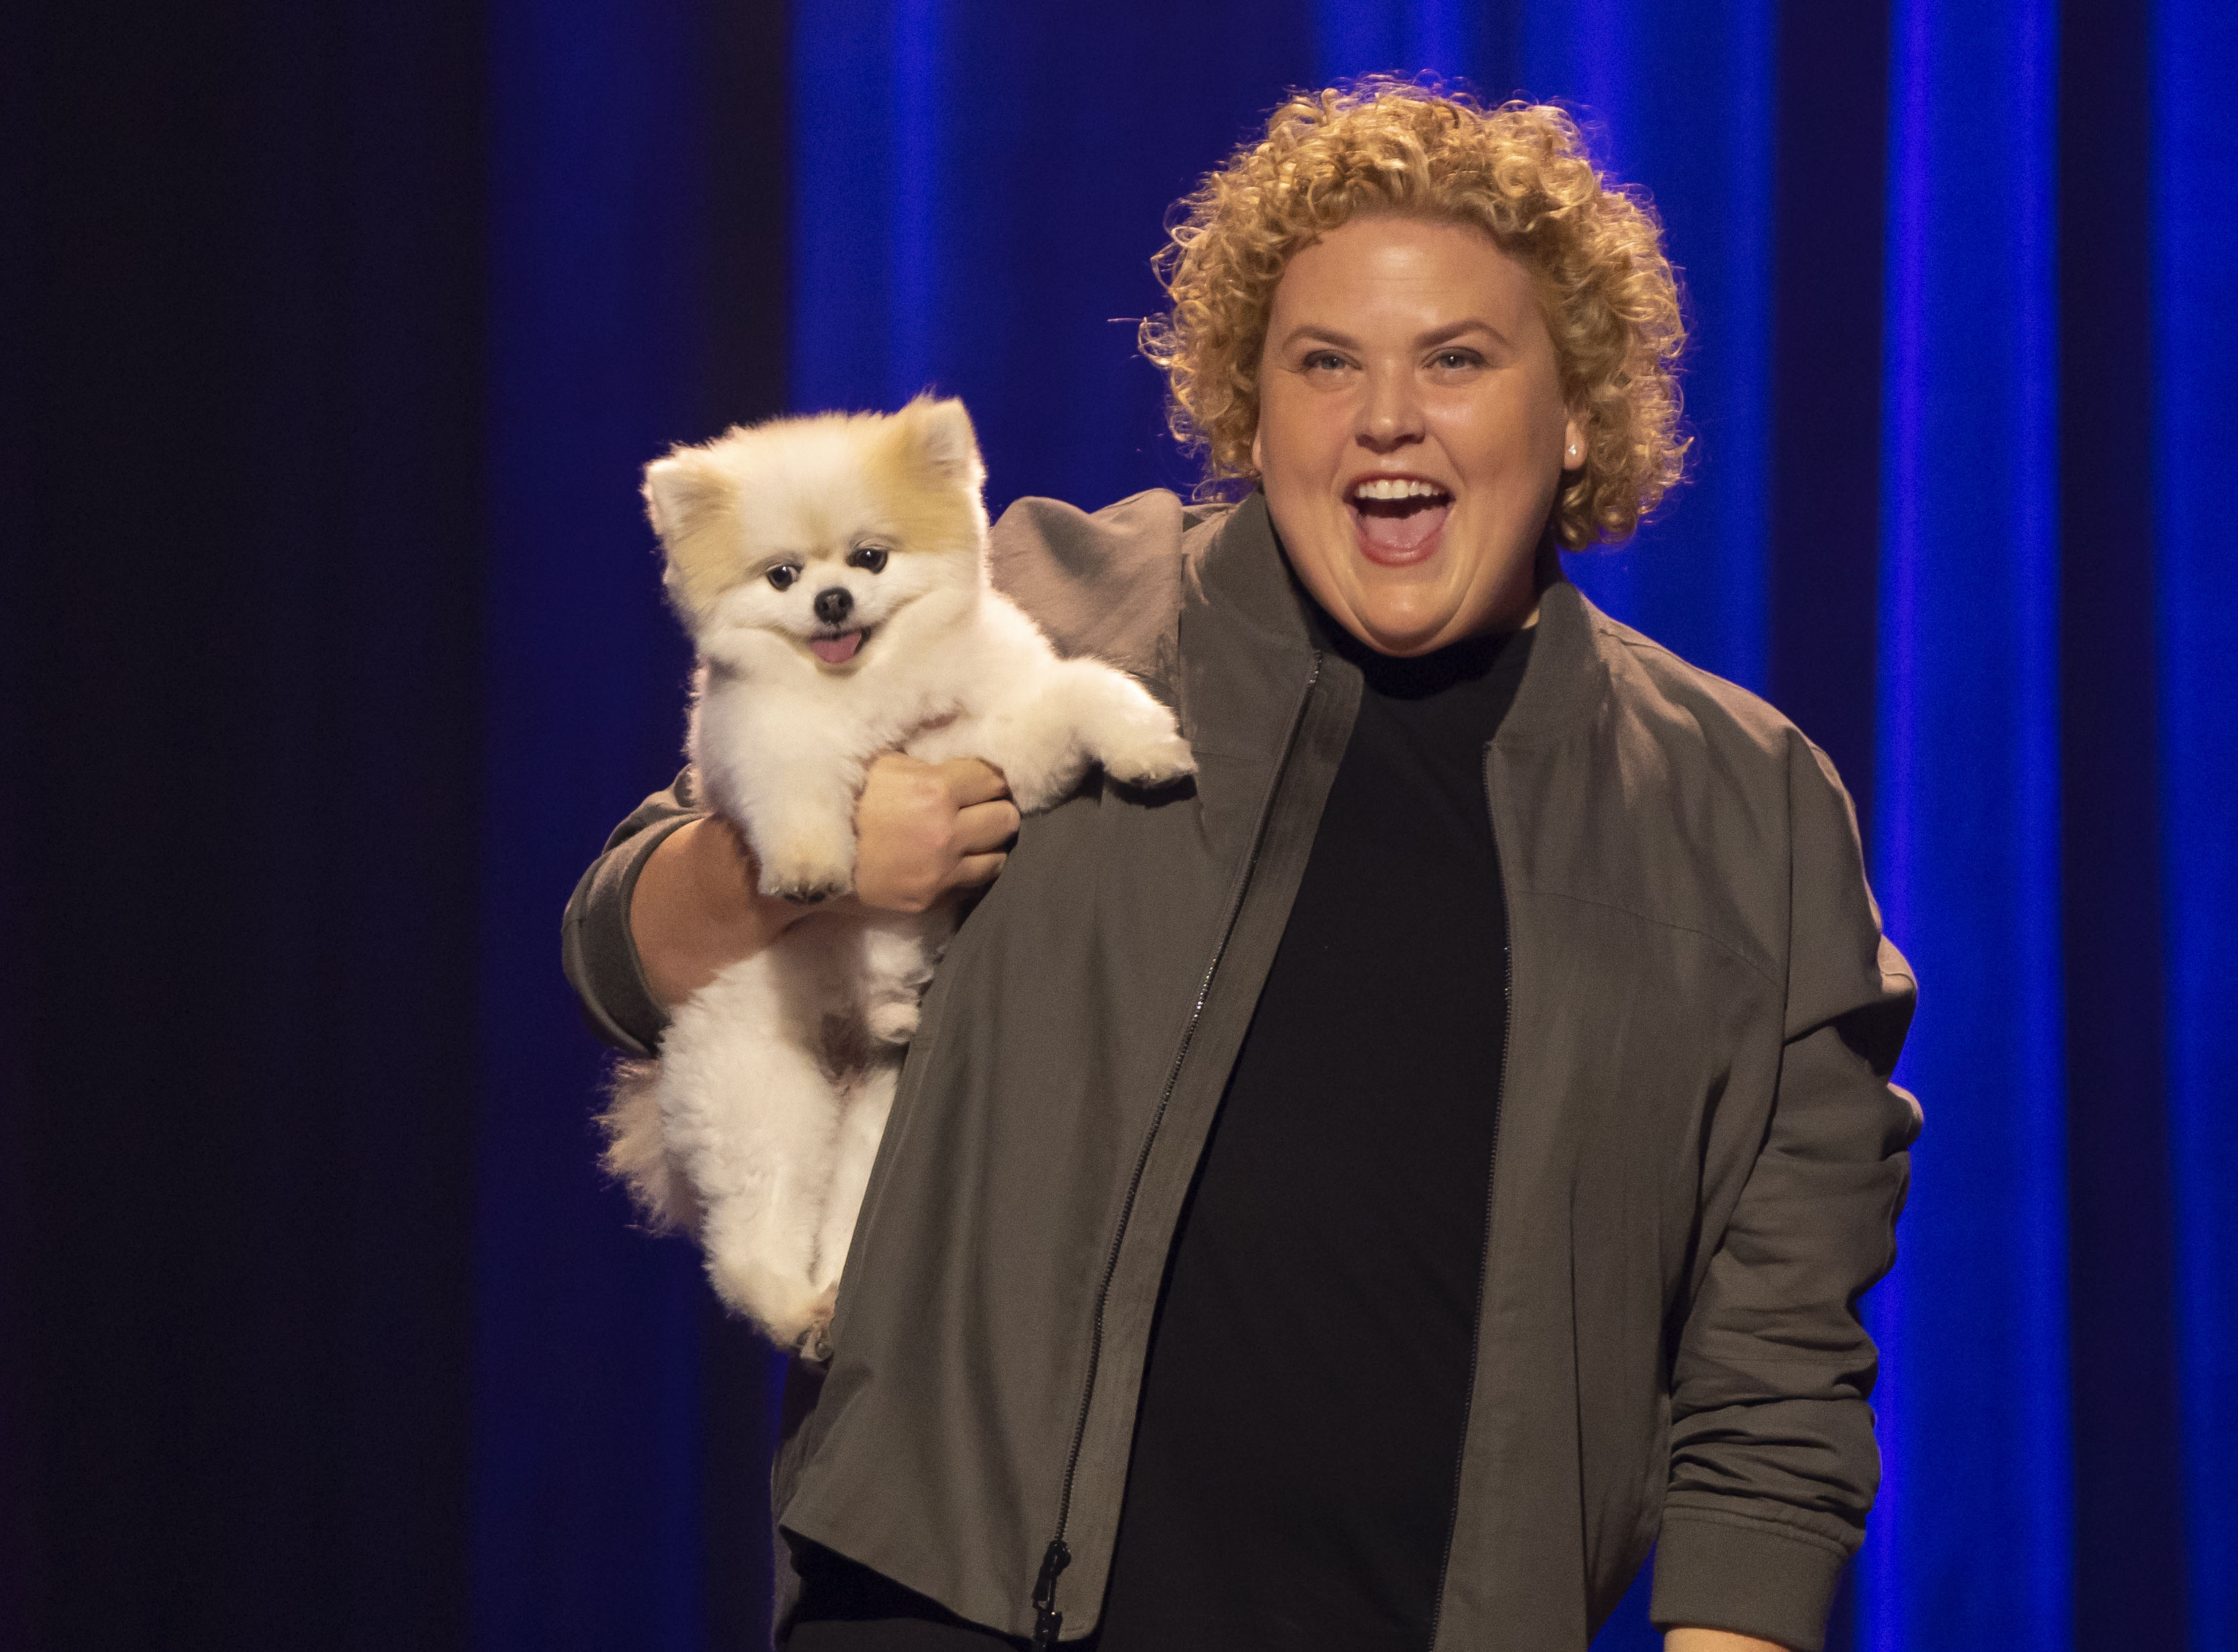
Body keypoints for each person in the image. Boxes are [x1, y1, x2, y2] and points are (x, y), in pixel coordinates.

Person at [564, 81, 1919, 1652]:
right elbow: (619, 950)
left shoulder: (1741, 810)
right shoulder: (1029, 613)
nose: (1384, 418)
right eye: (1322, 362)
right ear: (1251, 412)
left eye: (1457, 360)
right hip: (942, 1610)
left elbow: (1777, 1368)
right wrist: (801, 869)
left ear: (1575, 412)